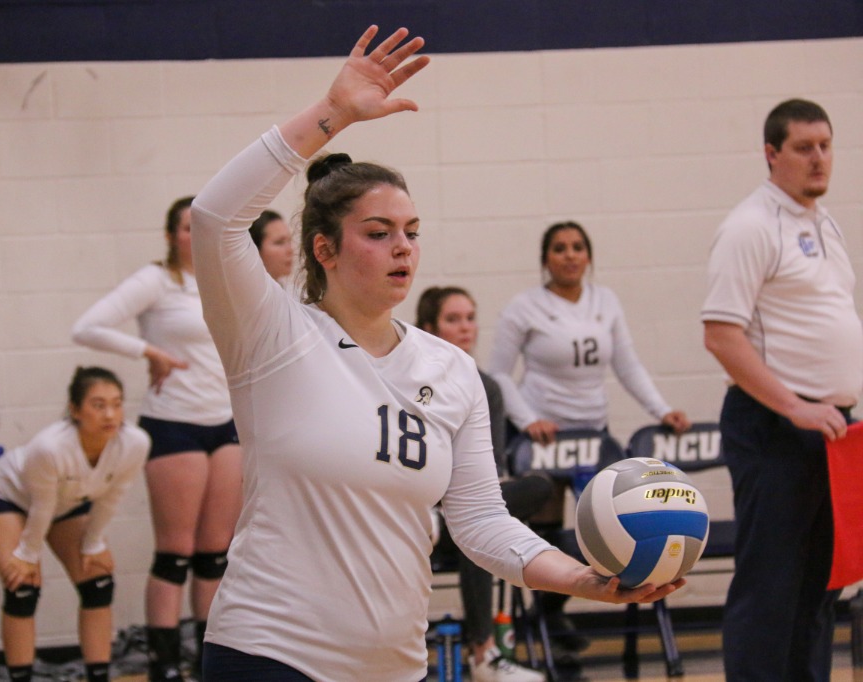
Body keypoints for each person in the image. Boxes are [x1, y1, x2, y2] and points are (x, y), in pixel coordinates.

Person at [188, 25, 682, 682]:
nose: (403, 247)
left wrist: (581, 580)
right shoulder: (271, 332)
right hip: (270, 653)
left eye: (412, 232)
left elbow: (479, 521)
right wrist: (330, 114)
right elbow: (214, 217)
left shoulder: (450, 370)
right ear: (324, 250)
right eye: (378, 232)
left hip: (394, 667)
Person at [702, 98, 861, 682]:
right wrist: (795, 406)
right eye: (803, 147)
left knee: (822, 588)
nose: (818, 158)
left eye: (825, 145)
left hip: (832, 429)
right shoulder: (750, 226)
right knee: (771, 589)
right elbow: (721, 335)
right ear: (772, 154)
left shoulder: (825, 224)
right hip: (774, 426)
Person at [488, 220, 691, 674]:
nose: (569, 255)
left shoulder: (606, 301)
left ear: (589, 256)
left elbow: (627, 364)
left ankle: (554, 619)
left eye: (578, 247)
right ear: (546, 259)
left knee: (606, 529)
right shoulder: (526, 307)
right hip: (544, 438)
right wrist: (527, 420)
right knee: (546, 532)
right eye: (559, 248)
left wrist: (662, 409)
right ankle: (548, 622)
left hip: (593, 435)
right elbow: (498, 373)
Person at [72, 197, 243, 680]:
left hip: (225, 423)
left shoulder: (224, 278)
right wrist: (148, 350)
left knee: (216, 552)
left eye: (201, 228)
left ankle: (210, 657)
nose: (194, 236)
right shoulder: (156, 281)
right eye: (186, 228)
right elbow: (87, 327)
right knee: (175, 552)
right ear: (171, 235)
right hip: (173, 423)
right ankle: (164, 664)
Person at [416, 286, 551, 682]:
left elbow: (488, 472)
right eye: (453, 320)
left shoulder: (486, 386)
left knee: (534, 488)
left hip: (461, 504)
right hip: (414, 500)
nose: (465, 328)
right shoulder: (406, 379)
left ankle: (484, 656)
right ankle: (483, 653)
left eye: (470, 318)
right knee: (471, 528)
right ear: (428, 328)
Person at [0, 366, 150, 682]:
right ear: (74, 410)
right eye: (98, 405)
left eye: (117, 403)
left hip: (66, 502)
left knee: (98, 580)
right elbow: (41, 508)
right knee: (22, 587)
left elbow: (112, 497)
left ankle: (98, 675)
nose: (110, 414)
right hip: (11, 497)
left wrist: (93, 543)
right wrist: (27, 557)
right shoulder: (50, 447)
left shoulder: (135, 442)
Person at [249, 209, 294, 282]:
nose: (290, 250)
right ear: (255, 249)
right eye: (279, 242)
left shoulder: (292, 290)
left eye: (289, 241)